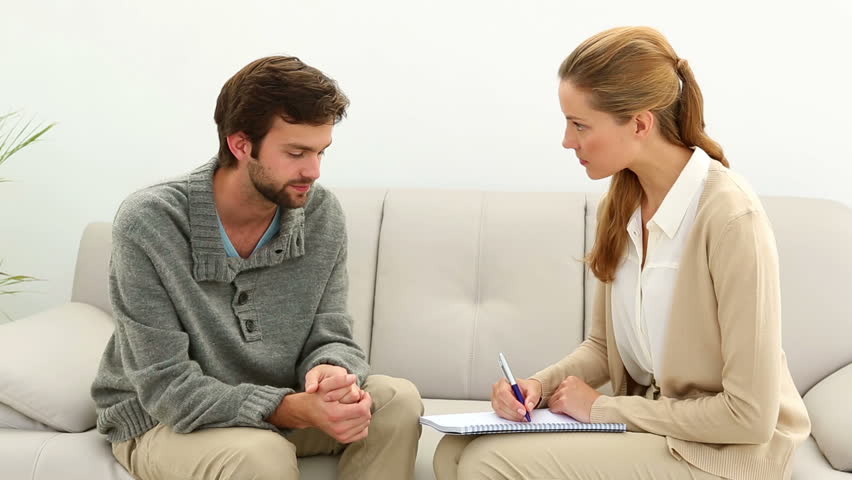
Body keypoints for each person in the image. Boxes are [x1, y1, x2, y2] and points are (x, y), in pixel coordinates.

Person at [433, 26, 810, 480]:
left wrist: (603, 408)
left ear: (639, 123)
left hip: (730, 452)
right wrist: (536, 387)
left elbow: (749, 416)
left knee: (486, 463)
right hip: (657, 430)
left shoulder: (730, 218)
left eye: (580, 125)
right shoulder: (622, 204)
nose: (567, 141)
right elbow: (603, 348)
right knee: (453, 451)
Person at [91, 55, 423, 480]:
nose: (313, 171)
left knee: (396, 401)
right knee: (259, 454)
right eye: (296, 153)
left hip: (284, 403)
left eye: (321, 151)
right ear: (241, 144)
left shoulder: (321, 214)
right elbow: (166, 388)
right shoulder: (152, 221)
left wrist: (329, 371)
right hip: (165, 421)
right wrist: (289, 408)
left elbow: (332, 333)